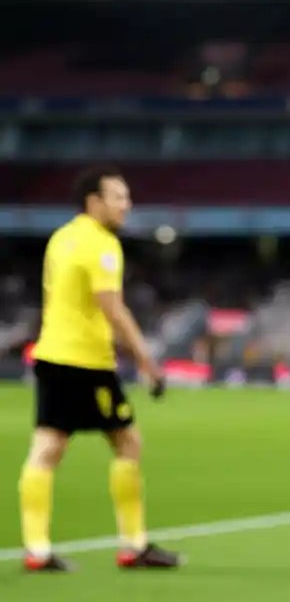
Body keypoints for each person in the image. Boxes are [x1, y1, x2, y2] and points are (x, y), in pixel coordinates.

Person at [18, 166, 181, 572]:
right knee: (127, 443)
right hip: (87, 362)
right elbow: (112, 307)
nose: (126, 205)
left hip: (52, 355)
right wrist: (147, 362)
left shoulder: (61, 237)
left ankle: (37, 549)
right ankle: (133, 544)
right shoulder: (101, 244)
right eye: (118, 197)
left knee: (47, 448)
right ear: (95, 201)